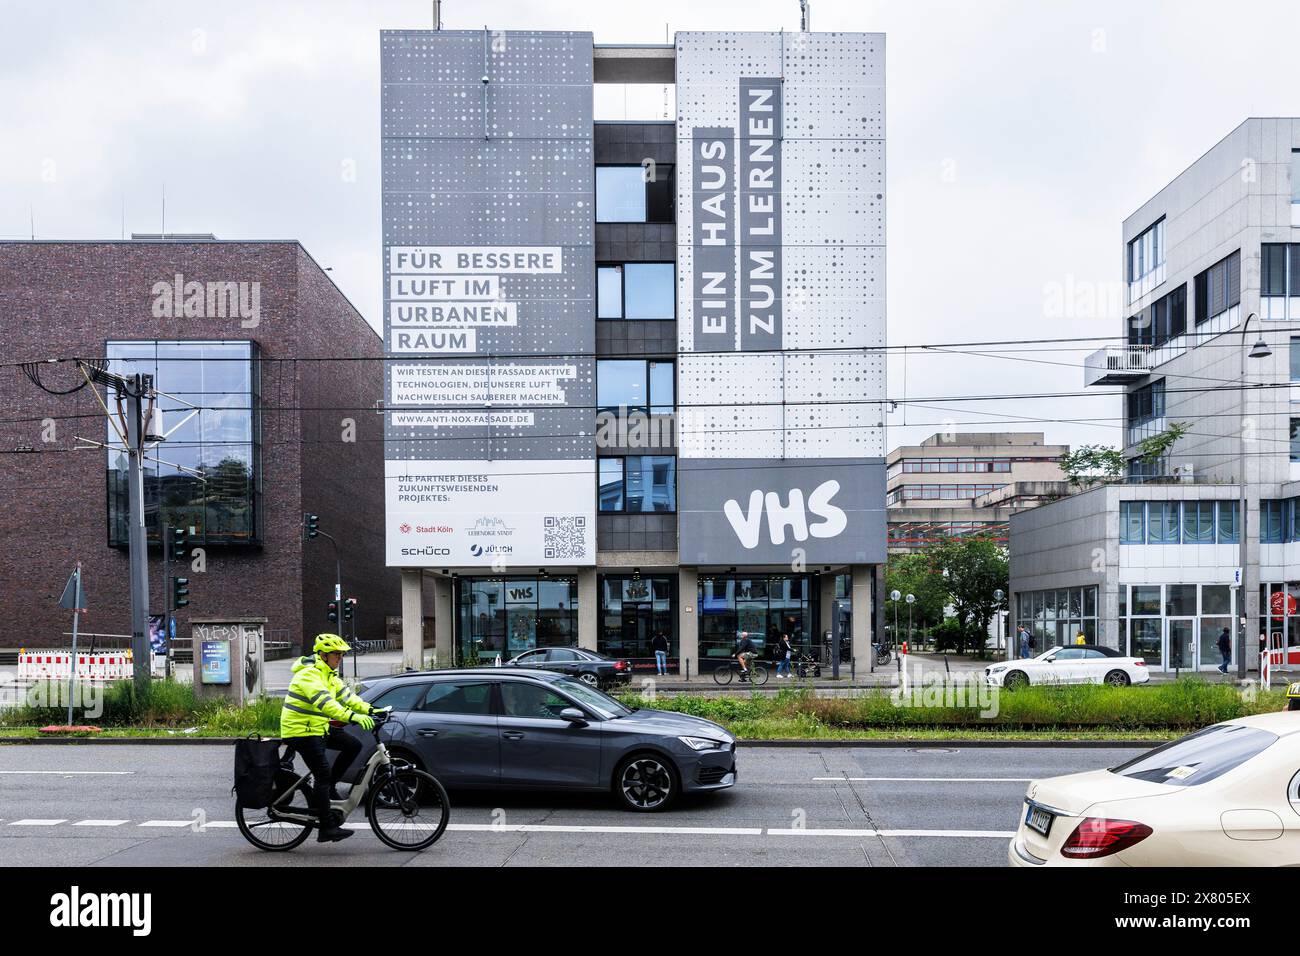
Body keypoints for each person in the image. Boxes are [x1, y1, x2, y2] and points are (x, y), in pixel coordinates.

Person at [280, 633, 376, 844]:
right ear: (323, 655)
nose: (340, 658)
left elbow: (347, 697)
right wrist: (353, 717)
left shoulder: (330, 674)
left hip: (316, 727)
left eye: (342, 655)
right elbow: (326, 704)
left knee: (353, 745)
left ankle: (329, 788)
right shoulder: (309, 675)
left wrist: (371, 709)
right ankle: (326, 828)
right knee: (321, 774)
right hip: (300, 731)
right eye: (337, 654)